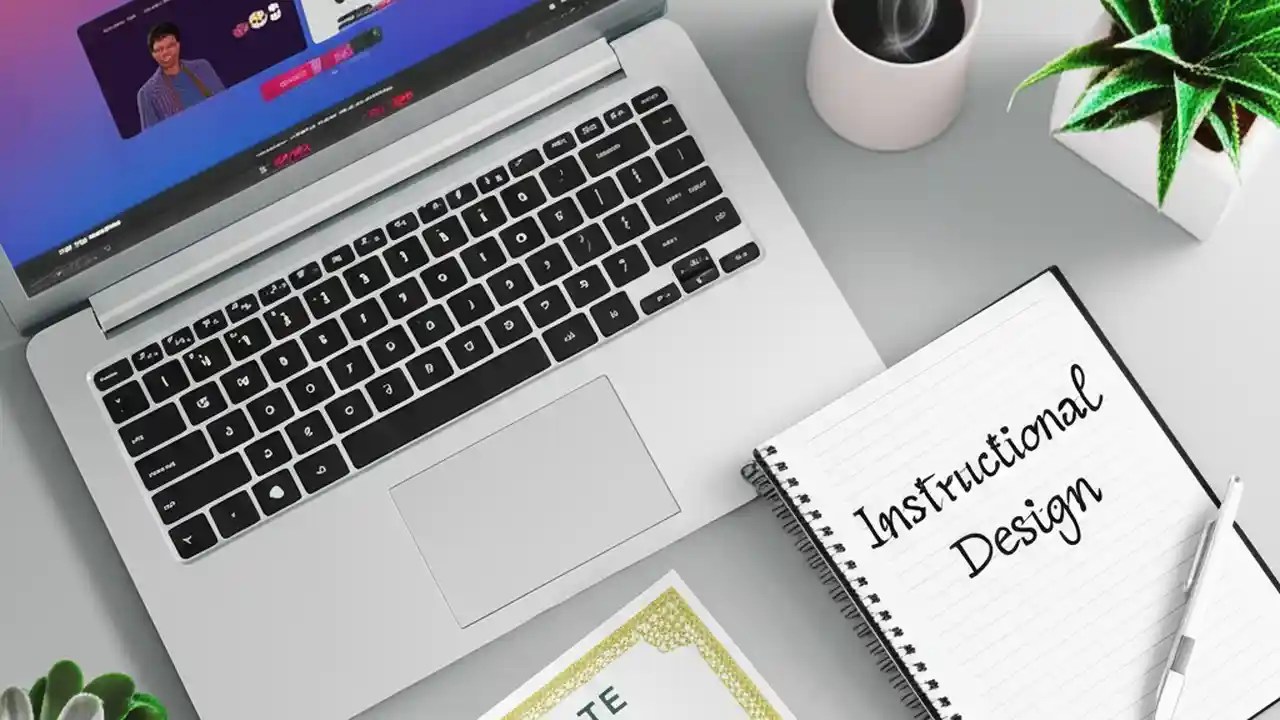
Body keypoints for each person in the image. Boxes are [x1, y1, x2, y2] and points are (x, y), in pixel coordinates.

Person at [136, 22, 225, 130]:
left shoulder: (202, 67)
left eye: (170, 46)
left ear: (178, 45)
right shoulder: (146, 94)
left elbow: (225, 101)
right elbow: (152, 138)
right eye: (159, 49)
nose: (165, 53)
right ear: (153, 54)